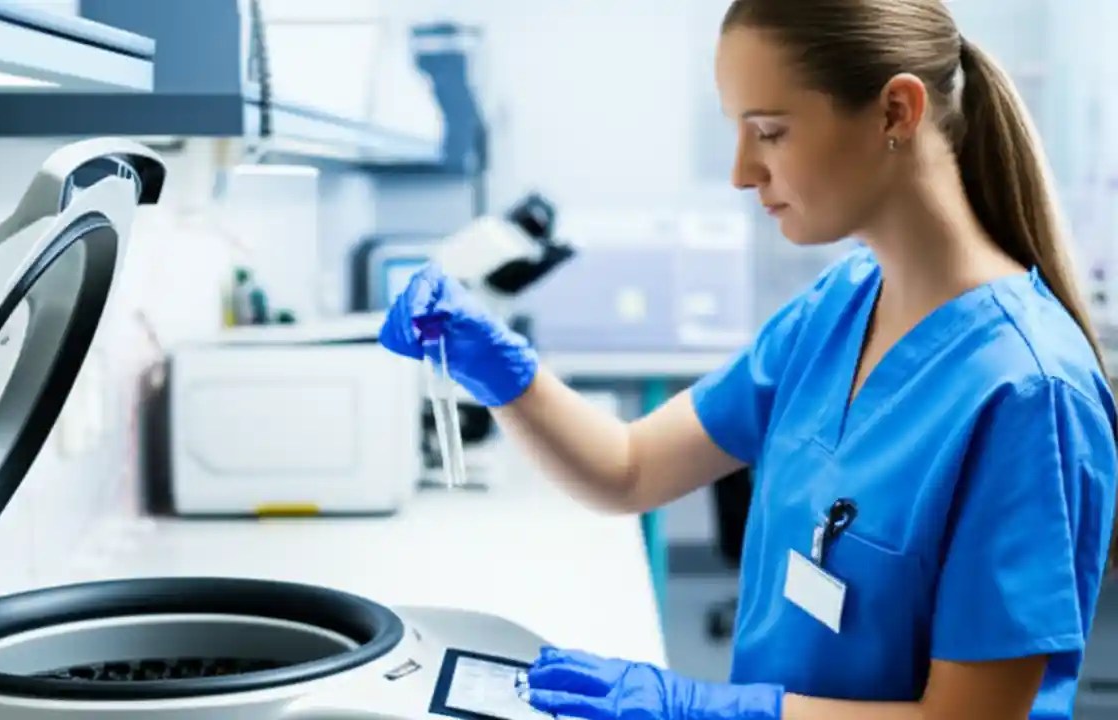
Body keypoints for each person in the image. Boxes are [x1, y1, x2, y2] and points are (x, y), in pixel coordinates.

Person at [379, 0, 1118, 717]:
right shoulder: (840, 307)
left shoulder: (1028, 395)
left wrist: (719, 710)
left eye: (769, 131)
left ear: (896, 112)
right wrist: (503, 372)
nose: (741, 171)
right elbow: (632, 466)